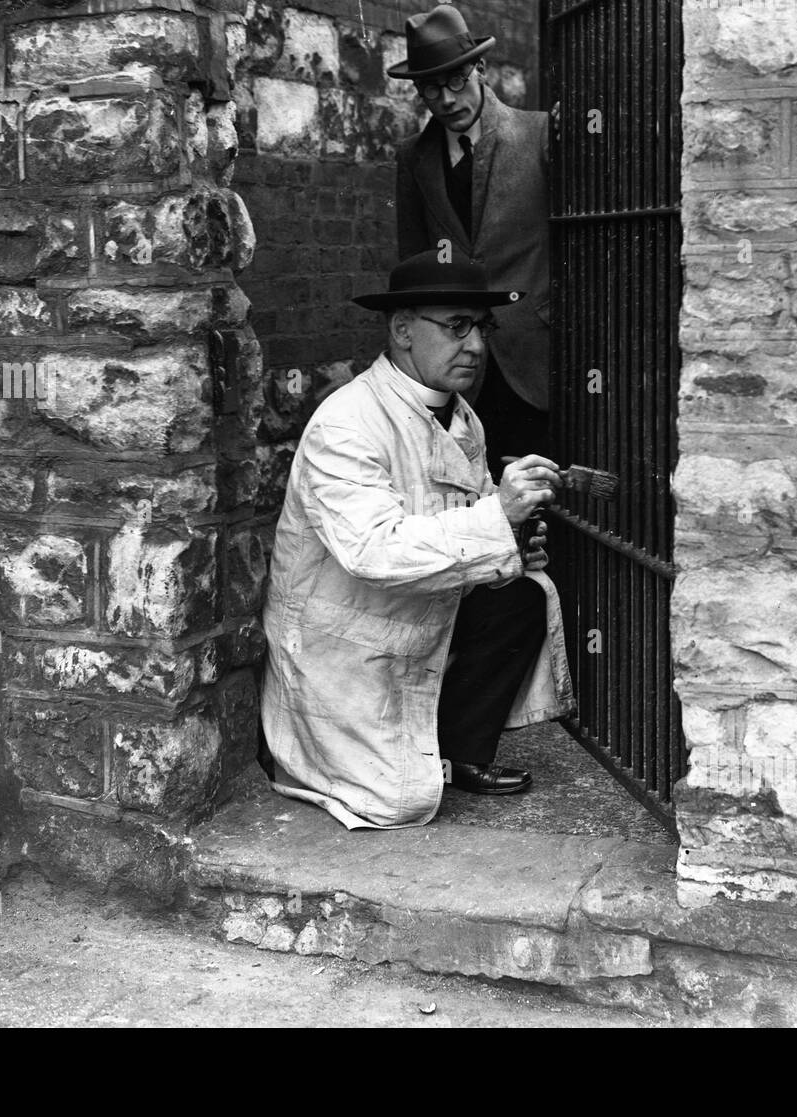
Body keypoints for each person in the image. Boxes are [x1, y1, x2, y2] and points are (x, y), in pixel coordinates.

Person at [259, 252, 575, 830]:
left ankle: (460, 750)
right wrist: (494, 518)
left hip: (419, 606)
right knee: (394, 802)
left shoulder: (463, 418)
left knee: (524, 596)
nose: (476, 345)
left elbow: (470, 526)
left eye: (483, 327)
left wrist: (508, 542)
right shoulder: (346, 422)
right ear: (402, 330)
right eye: (456, 326)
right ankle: (328, 748)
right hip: (347, 632)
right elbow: (372, 551)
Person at [391, 4, 552, 481]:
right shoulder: (413, 158)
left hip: (536, 354)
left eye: (456, 80)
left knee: (544, 491)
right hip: (457, 359)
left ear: (480, 69)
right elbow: (414, 260)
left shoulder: (541, 133)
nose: (445, 98)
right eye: (430, 88)